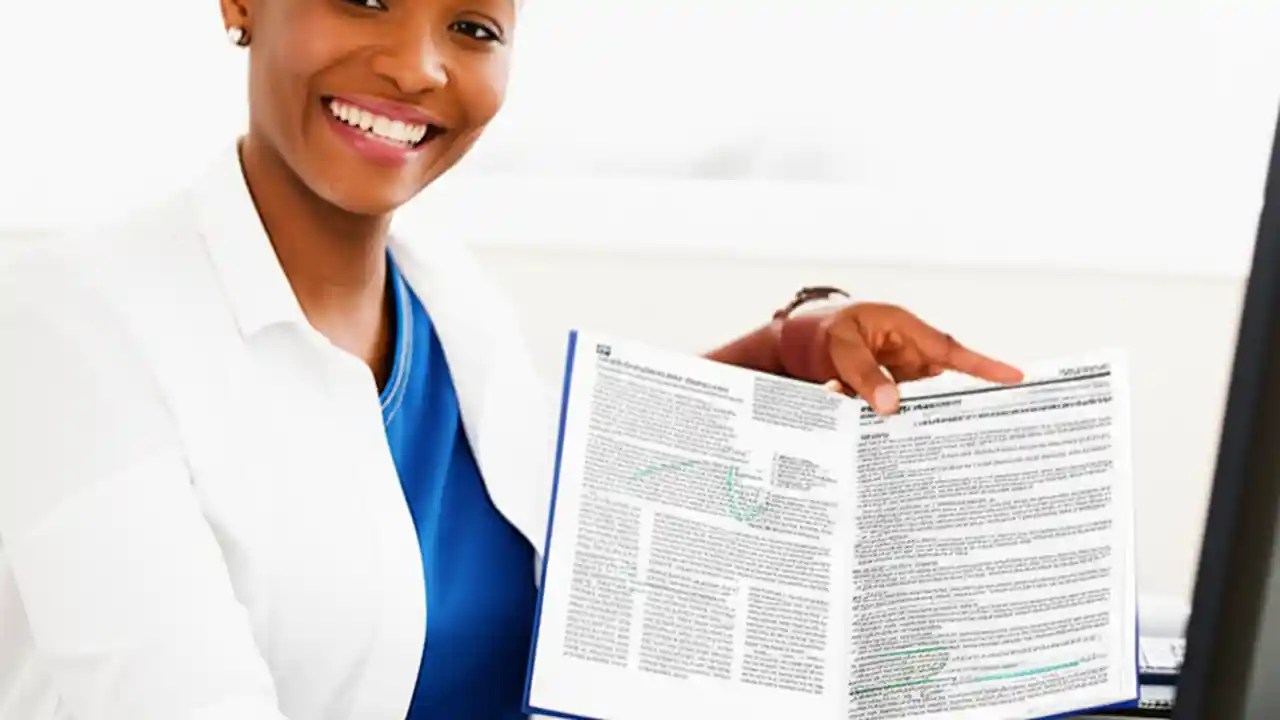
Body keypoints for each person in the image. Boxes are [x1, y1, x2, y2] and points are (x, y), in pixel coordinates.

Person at [0, 1, 1023, 718]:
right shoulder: (72, 324)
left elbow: (567, 503)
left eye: (473, 28)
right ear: (241, 4)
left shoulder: (444, 297)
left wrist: (787, 352)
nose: (417, 66)